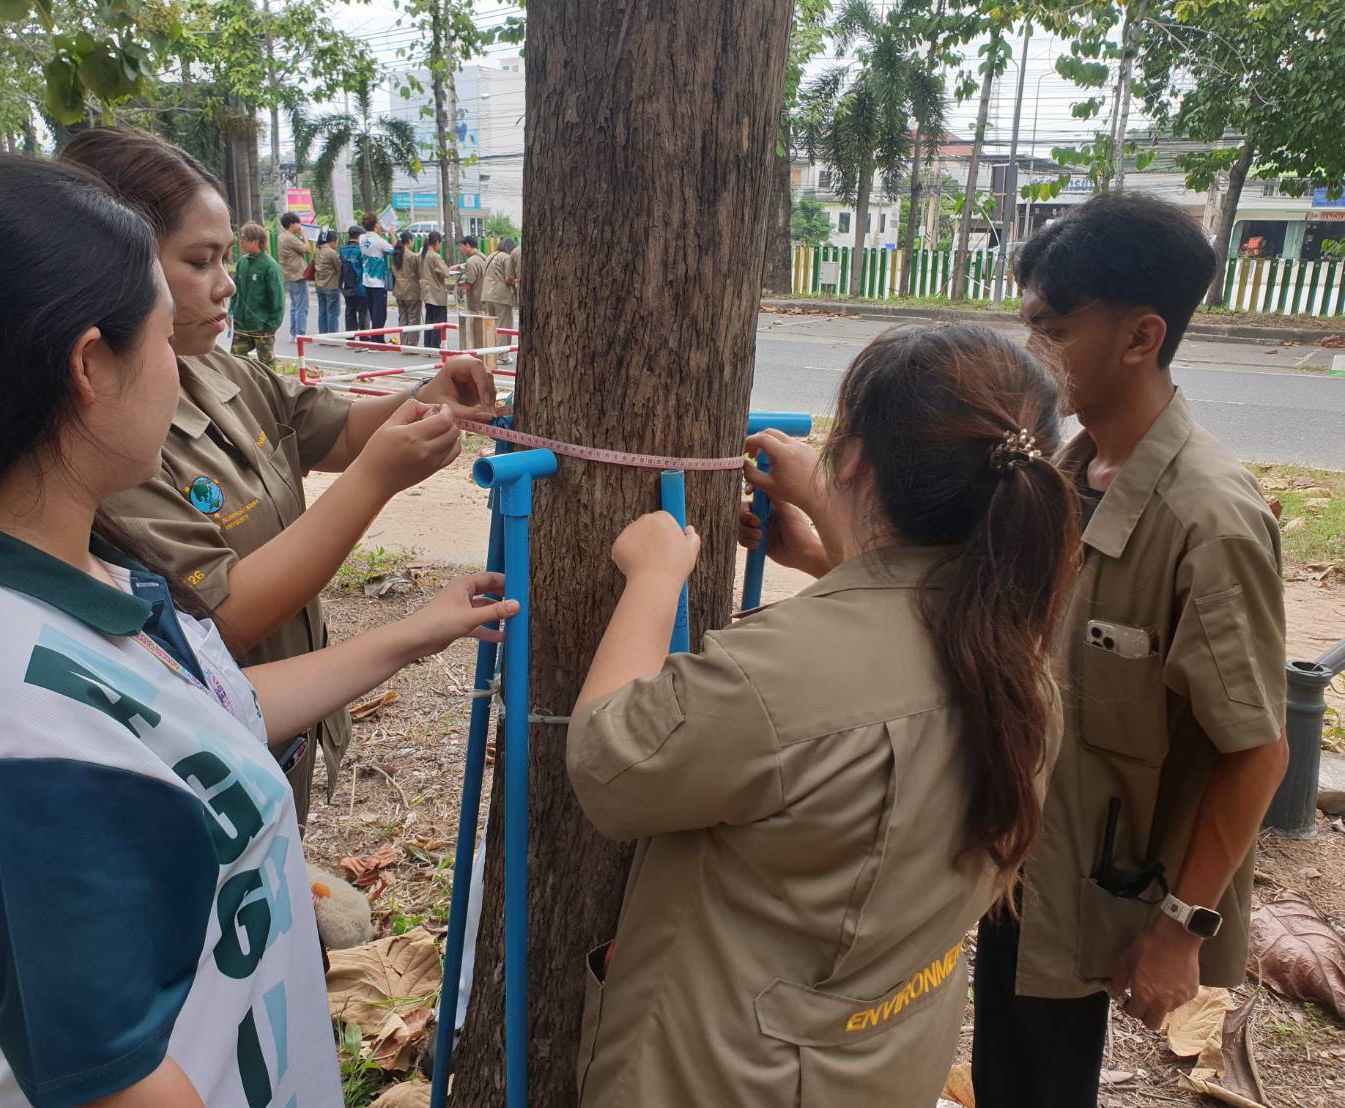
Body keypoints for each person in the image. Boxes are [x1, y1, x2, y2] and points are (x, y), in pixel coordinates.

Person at [0, 154, 516, 1108]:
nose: (186, 361)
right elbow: (115, 1084)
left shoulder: (69, 571)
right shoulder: (6, 735)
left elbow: (202, 717)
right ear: (90, 365)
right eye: (165, 334)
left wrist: (409, 635)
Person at [567, 325, 1080, 1107]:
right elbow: (899, 636)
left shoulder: (775, 674)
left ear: (852, 458)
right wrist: (828, 523)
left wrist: (653, 576)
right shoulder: (1017, 653)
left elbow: (610, 761)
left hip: (735, 1073)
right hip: (886, 1054)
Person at [59, 127, 497, 825]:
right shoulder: (107, 442)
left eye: (227, 257)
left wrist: (427, 397)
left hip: (275, 725)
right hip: (201, 764)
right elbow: (223, 619)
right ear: (115, 269)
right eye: (200, 262)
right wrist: (375, 482)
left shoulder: (221, 370)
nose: (226, 284)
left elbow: (336, 430)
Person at [971, 193, 1290, 1107]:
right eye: (1027, 323)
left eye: (1054, 328)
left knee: (1044, 1078)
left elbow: (1256, 748)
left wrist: (1180, 930)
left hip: (1104, 881)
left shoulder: (1208, 520)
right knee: (1008, 1070)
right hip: (1024, 855)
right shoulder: (1061, 475)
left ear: (1140, 336)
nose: (1030, 351)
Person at [230, 221, 284, 368]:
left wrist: (272, 326)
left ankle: (272, 388)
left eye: (244, 238)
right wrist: (232, 313)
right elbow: (236, 291)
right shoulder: (242, 262)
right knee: (236, 357)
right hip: (242, 324)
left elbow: (278, 299)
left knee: (267, 362)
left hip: (262, 326)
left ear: (256, 241)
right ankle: (248, 384)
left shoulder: (270, 266)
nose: (240, 242)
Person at [357, 212, 395, 335]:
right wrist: (392, 234)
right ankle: (377, 340)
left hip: (366, 281)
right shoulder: (380, 241)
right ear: (376, 225)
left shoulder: (361, 239)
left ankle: (375, 339)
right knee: (380, 314)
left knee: (373, 312)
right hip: (378, 283)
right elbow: (394, 250)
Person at [277, 211, 313, 337]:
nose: (300, 226)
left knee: (294, 306)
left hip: (287, 275)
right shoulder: (290, 238)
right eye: (298, 223)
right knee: (302, 307)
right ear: (292, 224)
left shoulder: (281, 237)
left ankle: (294, 334)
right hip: (297, 275)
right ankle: (300, 334)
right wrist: (304, 236)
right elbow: (307, 249)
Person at [480, 237, 516, 363]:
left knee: (491, 325)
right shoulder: (506, 257)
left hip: (487, 293)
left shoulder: (490, 256)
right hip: (501, 294)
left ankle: (490, 353)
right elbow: (509, 278)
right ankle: (502, 355)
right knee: (503, 325)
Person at [392, 230, 424, 346]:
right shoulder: (411, 256)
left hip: (399, 291)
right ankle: (411, 344)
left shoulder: (396, 253)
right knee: (413, 319)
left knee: (403, 318)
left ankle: (403, 343)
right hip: (412, 291)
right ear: (410, 241)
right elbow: (419, 273)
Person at [420, 230, 450, 350]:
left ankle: (428, 344)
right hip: (436, 292)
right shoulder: (435, 256)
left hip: (426, 292)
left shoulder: (423, 254)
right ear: (437, 242)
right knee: (439, 321)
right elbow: (446, 273)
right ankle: (435, 344)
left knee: (429, 320)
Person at [457, 235, 486, 348]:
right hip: (484, 298)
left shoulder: (471, 261)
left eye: (462, 248)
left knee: (474, 330)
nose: (462, 250)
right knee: (483, 329)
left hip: (475, 301)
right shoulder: (483, 257)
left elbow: (469, 283)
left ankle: (476, 351)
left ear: (468, 245)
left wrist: (460, 286)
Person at [313, 227, 343, 335]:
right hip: (331, 286)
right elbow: (339, 267)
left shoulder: (317, 250)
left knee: (322, 312)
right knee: (333, 312)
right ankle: (332, 335)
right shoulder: (331, 252)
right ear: (332, 241)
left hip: (319, 285)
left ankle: (323, 334)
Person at [339, 224, 367, 332]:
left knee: (350, 311)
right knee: (363, 313)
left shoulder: (342, 250)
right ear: (359, 236)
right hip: (361, 287)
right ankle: (364, 337)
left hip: (348, 286)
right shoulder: (361, 250)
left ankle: (350, 337)